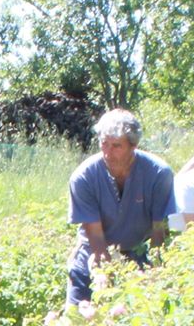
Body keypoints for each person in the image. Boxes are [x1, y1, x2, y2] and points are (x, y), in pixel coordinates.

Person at [67, 108, 177, 304]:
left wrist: (156, 272)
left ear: (133, 146)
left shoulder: (158, 174)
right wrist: (103, 273)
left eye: (116, 146)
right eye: (104, 144)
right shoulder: (84, 177)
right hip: (93, 252)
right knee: (78, 315)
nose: (108, 153)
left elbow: (158, 231)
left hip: (138, 252)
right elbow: (95, 236)